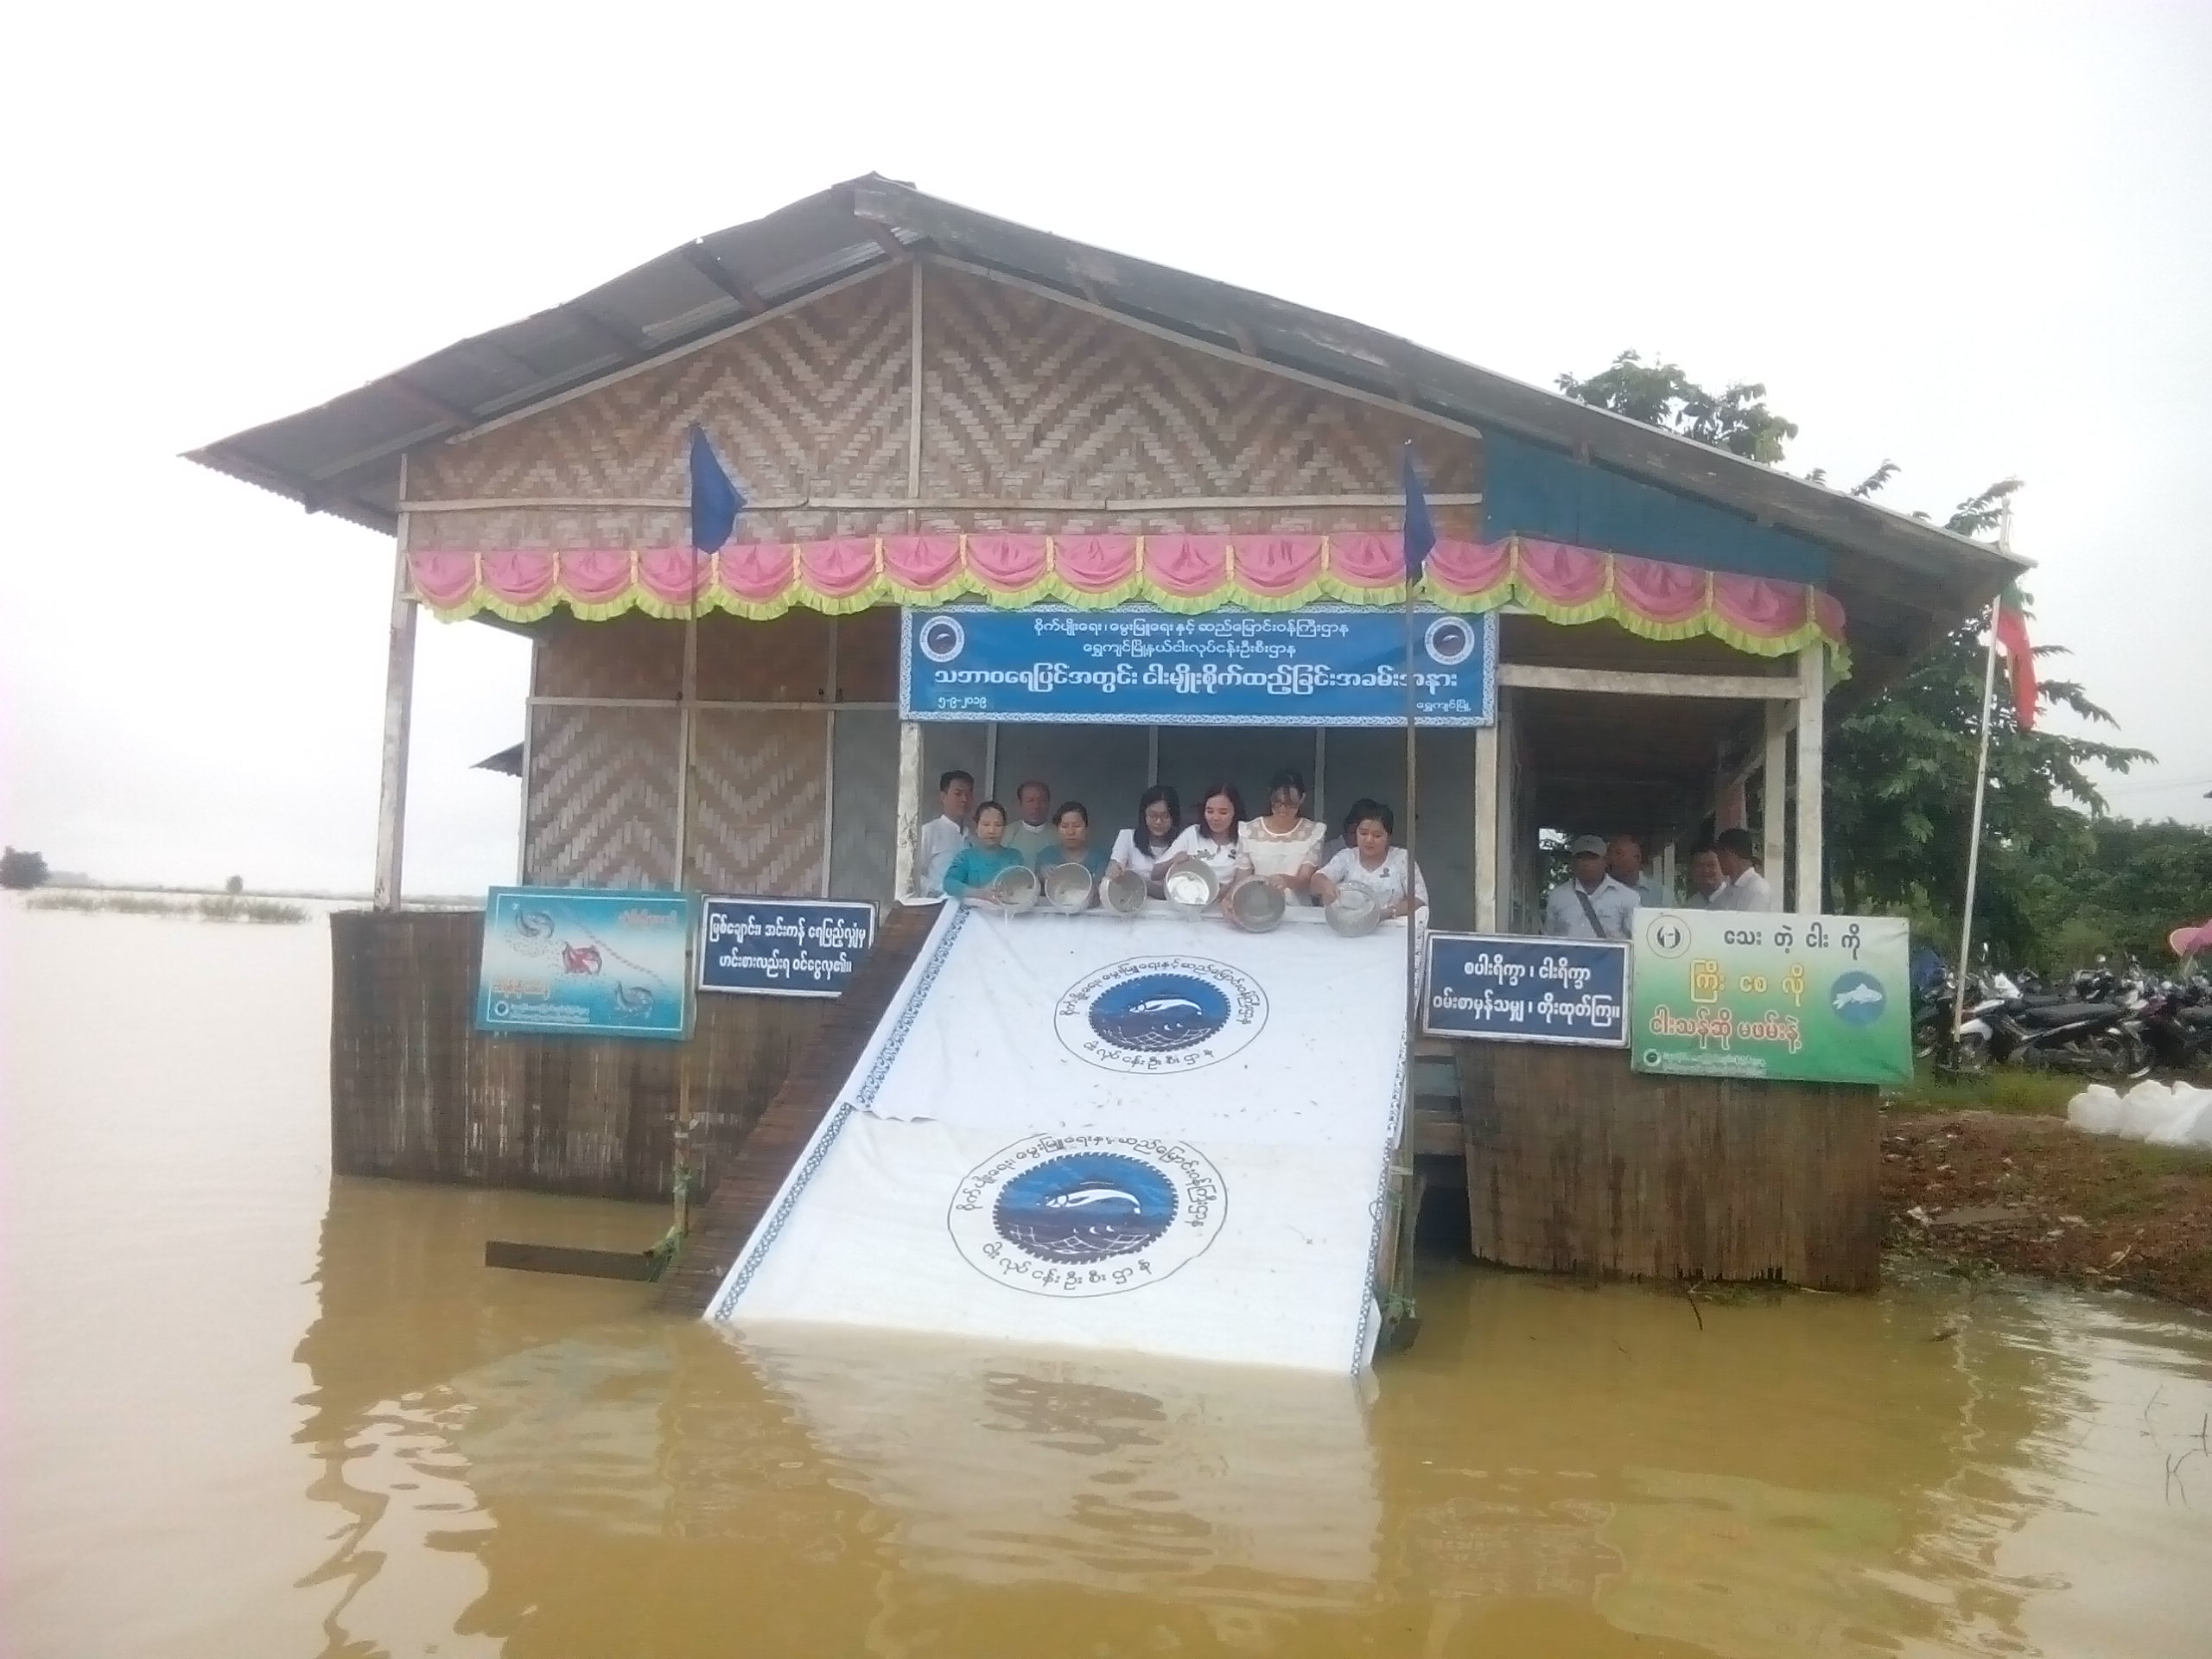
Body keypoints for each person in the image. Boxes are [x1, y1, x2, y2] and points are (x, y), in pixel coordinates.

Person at [1312, 801, 1427, 919]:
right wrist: (1325, 885)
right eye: (1363, 833)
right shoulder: (1346, 857)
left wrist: (1387, 913)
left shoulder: (1402, 858)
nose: (1369, 840)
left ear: (1388, 837)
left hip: (1392, 926)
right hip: (1351, 925)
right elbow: (1316, 881)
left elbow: (1419, 898)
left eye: (1377, 836)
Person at [1240, 767, 1325, 903]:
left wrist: (1287, 880)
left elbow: (1306, 880)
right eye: (1278, 803)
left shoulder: (1314, 832)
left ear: (1302, 798)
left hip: (1298, 909)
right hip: (1258, 905)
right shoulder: (1249, 830)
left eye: (1290, 804)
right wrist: (1231, 899)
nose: (1283, 809)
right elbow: (1242, 879)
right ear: (1270, 796)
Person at [1544, 833, 1638, 939]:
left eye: (1592, 857)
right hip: (1569, 955)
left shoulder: (1628, 897)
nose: (1586, 863)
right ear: (1573, 862)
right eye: (1581, 858)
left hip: (1610, 956)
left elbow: (1636, 939)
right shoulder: (1558, 896)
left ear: (1605, 861)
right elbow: (1549, 939)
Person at [1166, 784, 1246, 887]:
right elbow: (1155, 874)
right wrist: (1174, 861)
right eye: (1210, 811)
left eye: (1223, 812)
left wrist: (1227, 891)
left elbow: (1247, 878)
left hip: (1229, 900)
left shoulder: (1245, 836)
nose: (1215, 818)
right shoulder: (1192, 833)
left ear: (1235, 812)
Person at [1108, 785, 1183, 896]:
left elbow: (1177, 891)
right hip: (1133, 905)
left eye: (1165, 816)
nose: (1158, 822)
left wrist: (1135, 881)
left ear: (1174, 817)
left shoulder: (1184, 841)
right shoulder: (1127, 836)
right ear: (1144, 815)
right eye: (1152, 815)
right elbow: (1113, 865)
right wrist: (1113, 870)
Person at [941, 802, 1026, 899]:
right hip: (973, 912)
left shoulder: (1014, 856)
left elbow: (1023, 885)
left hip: (1005, 910)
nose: (991, 830)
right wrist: (980, 893)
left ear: (1004, 829)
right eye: (986, 824)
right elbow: (949, 883)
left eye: (998, 825)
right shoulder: (965, 857)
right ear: (976, 827)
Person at [916, 769, 972, 897]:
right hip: (938, 904)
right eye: (958, 794)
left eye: (969, 794)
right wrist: (939, 889)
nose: (964, 799)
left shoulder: (973, 838)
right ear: (943, 797)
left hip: (969, 906)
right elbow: (913, 874)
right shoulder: (930, 831)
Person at [1033, 800, 1111, 882]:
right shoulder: (1046, 855)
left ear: (1087, 829)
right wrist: (1041, 875)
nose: (1071, 832)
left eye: (1077, 826)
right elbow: (1032, 887)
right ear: (1057, 830)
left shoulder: (1099, 858)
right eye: (1064, 826)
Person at [1712, 827, 1775, 912]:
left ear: (1730, 854)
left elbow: (1750, 924)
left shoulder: (1758, 889)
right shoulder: (1726, 890)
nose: (1718, 860)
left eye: (1720, 855)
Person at [1607, 833, 1669, 909]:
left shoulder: (1660, 893)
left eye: (1619, 853)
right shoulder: (1601, 891)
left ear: (1637, 858)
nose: (1612, 858)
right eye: (1610, 854)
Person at [1004, 779, 1057, 863]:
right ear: (1019, 804)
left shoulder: (1060, 835)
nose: (1036, 806)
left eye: (1042, 800)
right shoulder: (1006, 834)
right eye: (1030, 801)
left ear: (1048, 803)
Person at [1683, 844, 1726, 909]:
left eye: (1711, 865)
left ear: (1723, 868)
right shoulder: (1692, 904)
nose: (1706, 871)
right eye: (1700, 865)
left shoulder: (1733, 898)